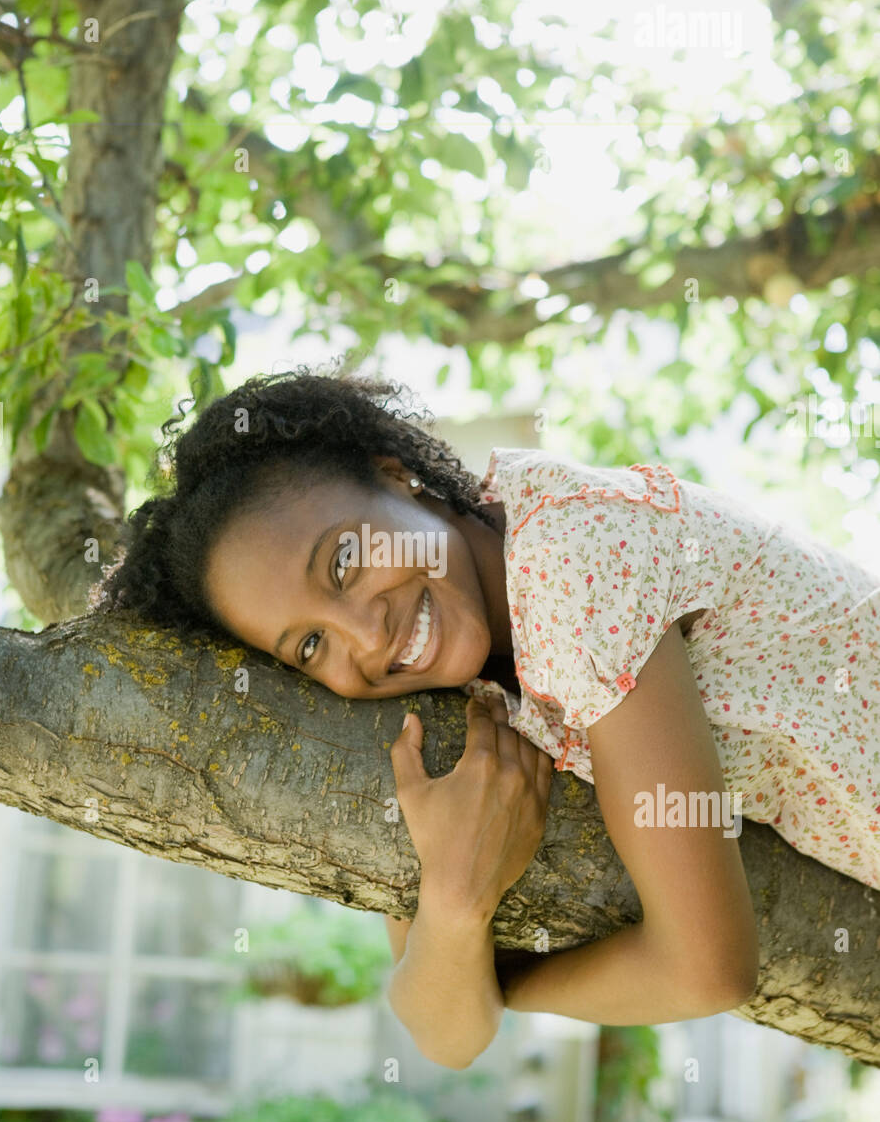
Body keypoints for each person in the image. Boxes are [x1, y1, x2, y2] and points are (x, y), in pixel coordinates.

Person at [90, 368, 880, 1068]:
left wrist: (507, 986)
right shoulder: (455, 695)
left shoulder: (572, 560)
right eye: (308, 644)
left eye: (343, 562)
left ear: (397, 479)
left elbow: (706, 967)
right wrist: (456, 902)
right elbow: (443, 1037)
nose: (367, 639)